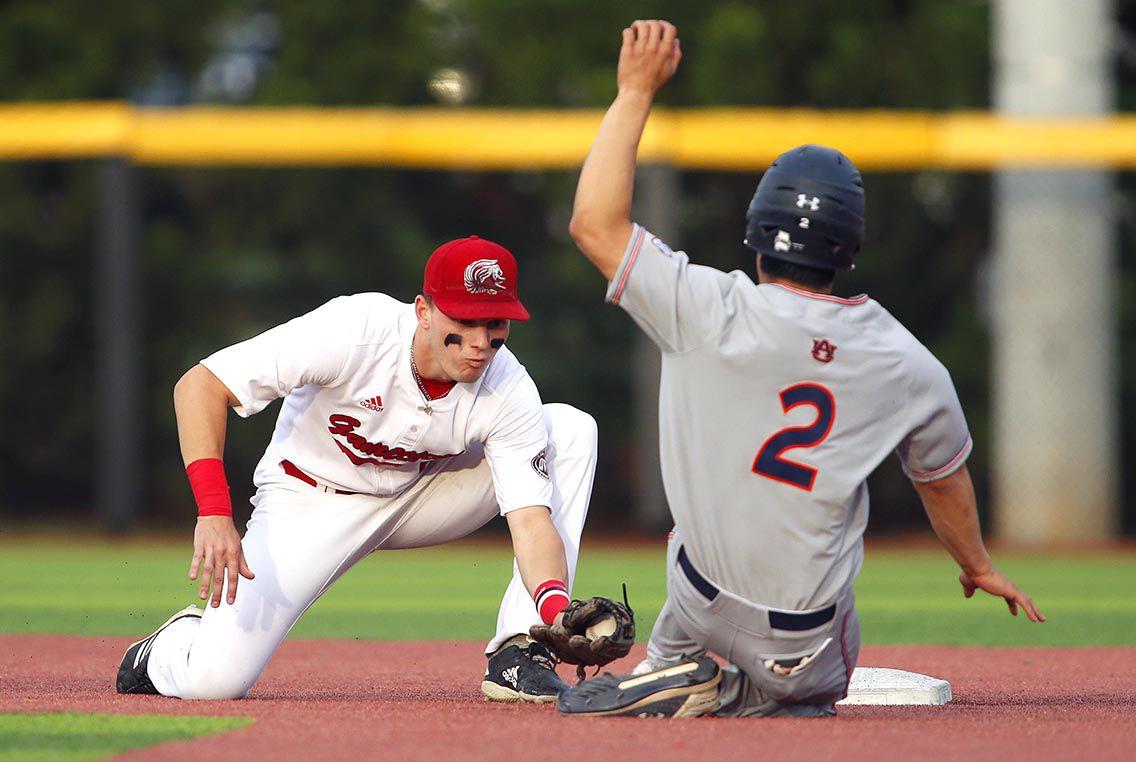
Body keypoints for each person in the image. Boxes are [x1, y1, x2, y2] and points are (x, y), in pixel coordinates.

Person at [557, 19, 1044, 719]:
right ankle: (741, 690)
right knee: (811, 699)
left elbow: (594, 224)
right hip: (801, 637)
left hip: (697, 595)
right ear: (850, 248)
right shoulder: (905, 360)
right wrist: (977, 565)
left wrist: (635, 91)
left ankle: (674, 668)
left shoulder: (705, 306)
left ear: (756, 233)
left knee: (694, 541)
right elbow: (942, 481)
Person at [115, 235, 598, 703]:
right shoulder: (355, 332)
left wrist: (556, 609)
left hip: (423, 494)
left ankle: (521, 651)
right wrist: (214, 512)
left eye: (495, 323)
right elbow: (200, 386)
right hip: (310, 500)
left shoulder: (507, 385)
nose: (480, 342)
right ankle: (172, 643)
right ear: (423, 311)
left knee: (571, 430)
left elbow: (531, 523)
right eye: (465, 320)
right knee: (213, 680)